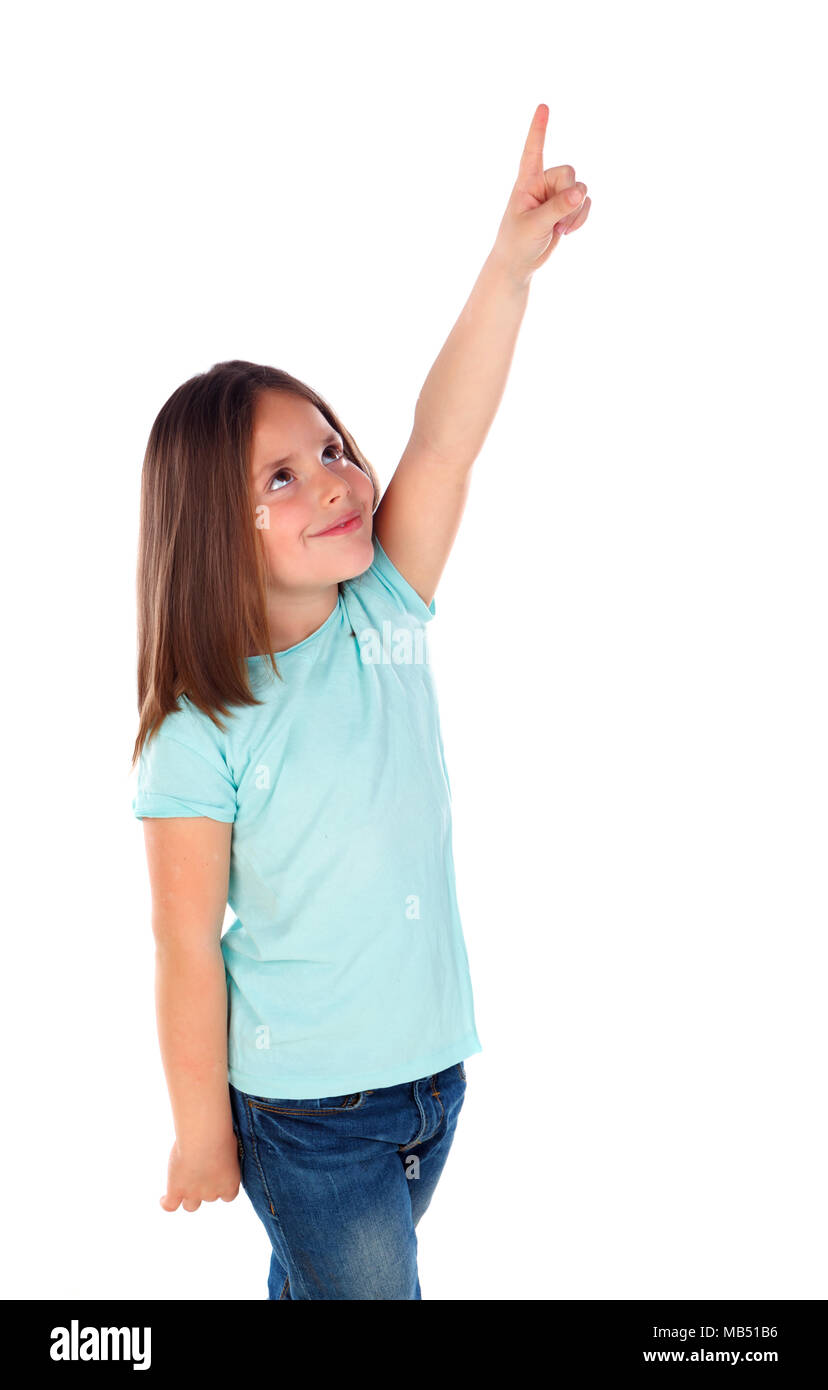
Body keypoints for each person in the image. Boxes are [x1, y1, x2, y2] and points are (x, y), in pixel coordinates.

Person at [130, 103, 590, 1300]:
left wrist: (506, 272)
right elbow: (185, 946)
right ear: (213, 530)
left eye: (331, 446)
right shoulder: (201, 727)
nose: (337, 478)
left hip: (435, 1079)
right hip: (305, 1112)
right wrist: (201, 1126)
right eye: (282, 475)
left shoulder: (384, 610)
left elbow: (443, 441)